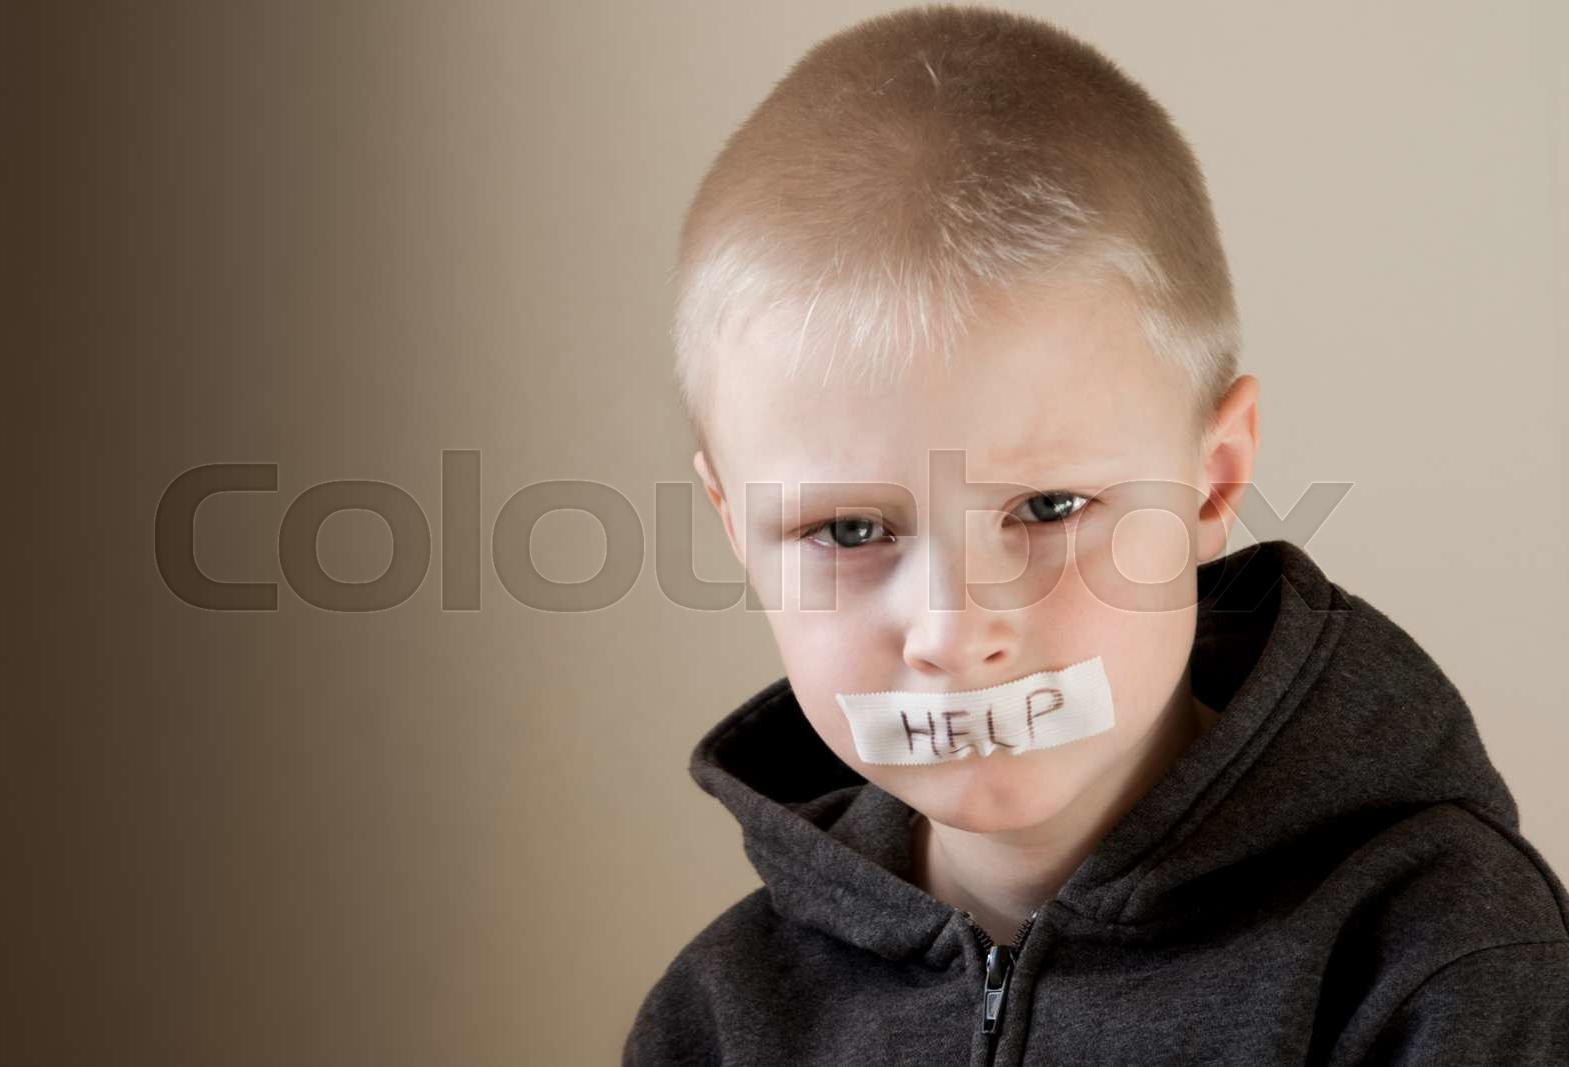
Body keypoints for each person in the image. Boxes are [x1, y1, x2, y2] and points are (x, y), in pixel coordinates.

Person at [624, 6, 1569, 1063]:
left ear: (1211, 484)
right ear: (737, 531)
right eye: (848, 528)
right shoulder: (717, 1018)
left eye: (1046, 508)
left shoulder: (1429, 958)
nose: (951, 633)